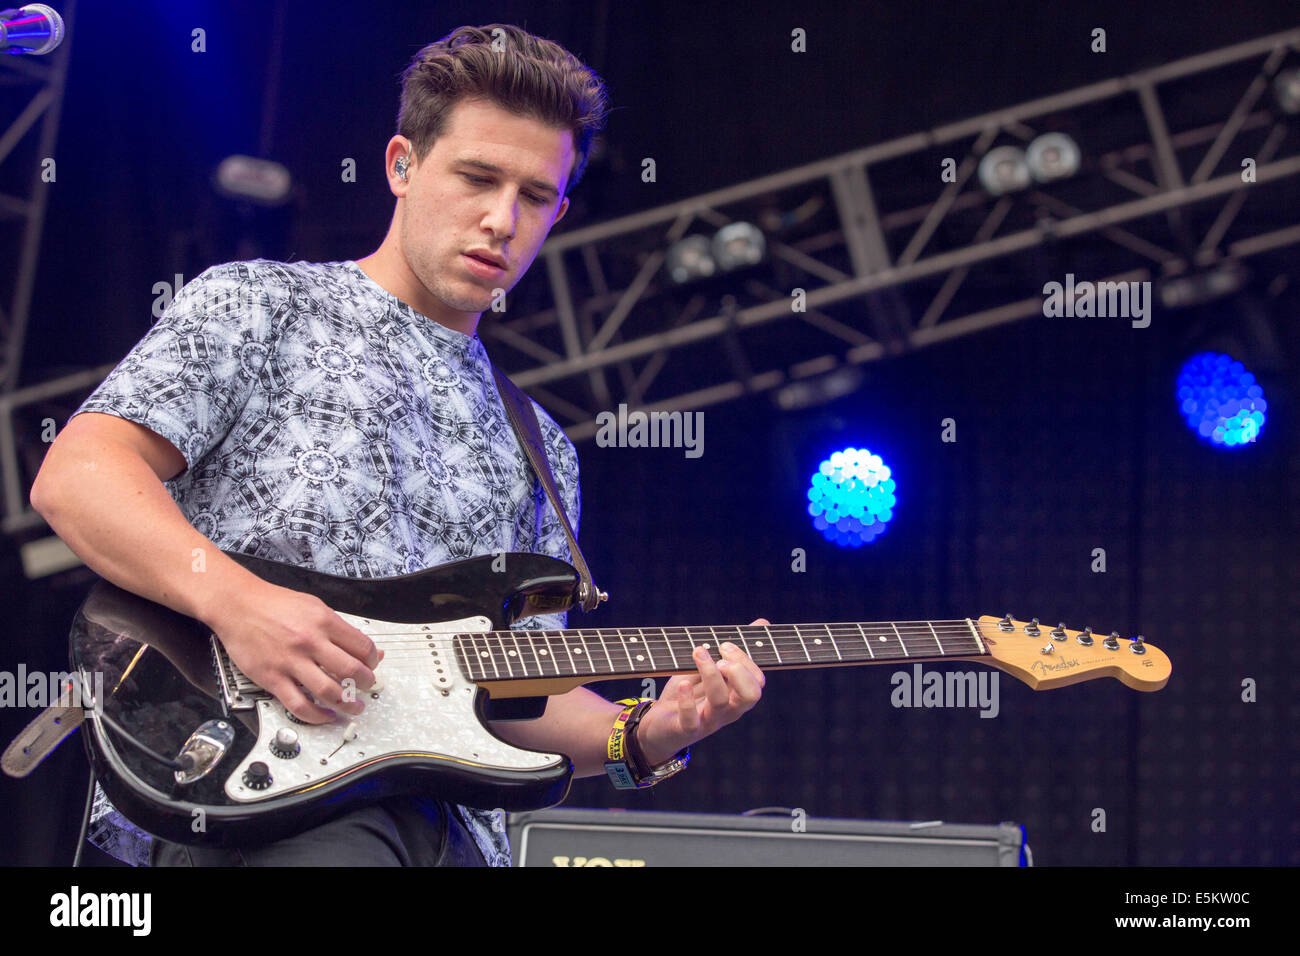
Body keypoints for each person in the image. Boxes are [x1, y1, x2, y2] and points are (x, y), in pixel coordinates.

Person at [31, 23, 766, 867]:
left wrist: (648, 731)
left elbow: (512, 692)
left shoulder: (543, 450)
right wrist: (235, 601)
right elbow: (79, 476)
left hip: (454, 837)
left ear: (560, 212)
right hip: (252, 792)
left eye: (534, 196)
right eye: (478, 177)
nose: (502, 220)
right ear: (402, 165)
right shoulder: (261, 305)